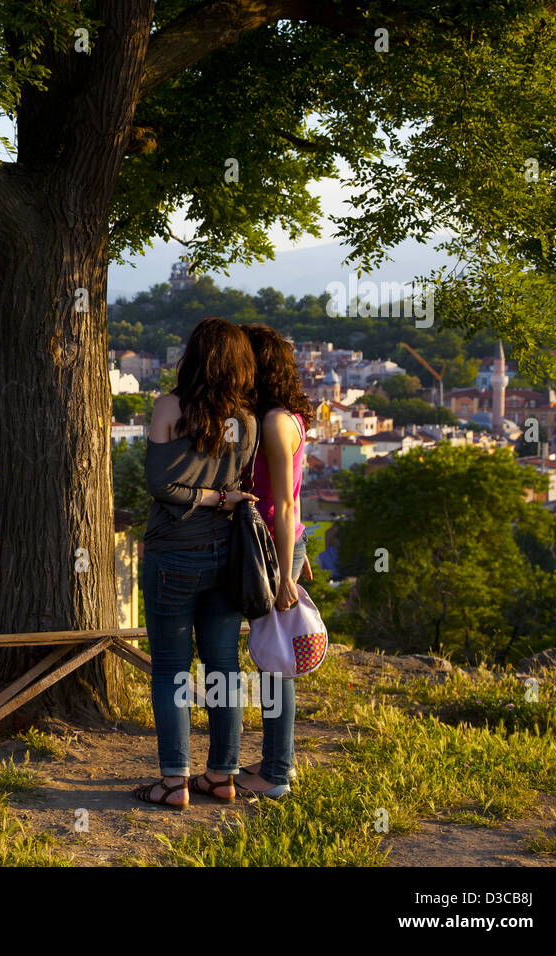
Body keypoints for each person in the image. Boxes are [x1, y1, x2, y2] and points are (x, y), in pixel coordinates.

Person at [133, 316, 258, 809]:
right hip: (225, 554)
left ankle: (173, 781)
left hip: (173, 553)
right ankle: (222, 775)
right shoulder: (245, 420)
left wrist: (206, 497)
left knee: (170, 668)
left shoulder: (170, 406)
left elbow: (162, 486)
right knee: (223, 667)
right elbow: (236, 487)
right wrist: (222, 497)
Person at [235, 323, 316, 799]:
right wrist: (298, 550)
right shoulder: (286, 417)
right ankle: (275, 761)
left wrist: (285, 572)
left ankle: (275, 774)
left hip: (269, 548)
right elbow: (295, 503)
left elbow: (283, 504)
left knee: (274, 660)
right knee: (272, 658)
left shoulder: (272, 423)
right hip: (280, 545)